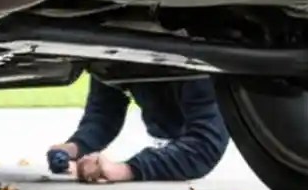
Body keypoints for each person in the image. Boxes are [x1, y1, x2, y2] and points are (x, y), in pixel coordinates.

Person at [48, 73, 230, 183]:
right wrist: (75, 147)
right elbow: (105, 110)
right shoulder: (114, 53)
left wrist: (125, 169)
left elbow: (205, 147)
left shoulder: (199, 73)